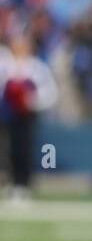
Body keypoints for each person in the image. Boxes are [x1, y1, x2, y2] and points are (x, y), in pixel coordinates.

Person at [0, 32, 58, 203]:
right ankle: (10, 181)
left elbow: (50, 93)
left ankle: (22, 184)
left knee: (22, 149)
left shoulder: (38, 67)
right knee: (6, 150)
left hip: (25, 116)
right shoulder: (5, 63)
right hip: (5, 114)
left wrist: (31, 100)